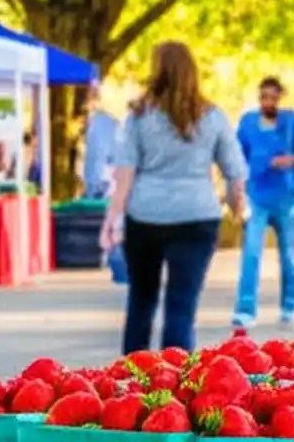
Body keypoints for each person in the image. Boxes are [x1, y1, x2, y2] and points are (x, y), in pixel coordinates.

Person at [99, 41, 247, 353]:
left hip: (146, 214)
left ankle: (131, 378)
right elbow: (234, 172)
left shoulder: (139, 116)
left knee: (141, 299)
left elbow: (125, 171)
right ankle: (176, 382)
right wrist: (238, 208)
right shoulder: (213, 116)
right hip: (197, 214)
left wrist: (113, 217)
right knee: (182, 304)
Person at [232, 77, 294, 329]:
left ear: (280, 97)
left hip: (287, 196)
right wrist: (237, 190)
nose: (267, 101)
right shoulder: (248, 123)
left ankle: (288, 305)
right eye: (263, 97)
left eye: (272, 96)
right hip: (256, 195)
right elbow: (236, 156)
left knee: (289, 254)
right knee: (251, 252)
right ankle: (245, 309)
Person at [82, 85, 120, 199]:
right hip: (109, 179)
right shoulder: (112, 122)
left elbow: (97, 156)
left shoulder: (97, 123)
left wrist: (93, 186)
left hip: (100, 179)